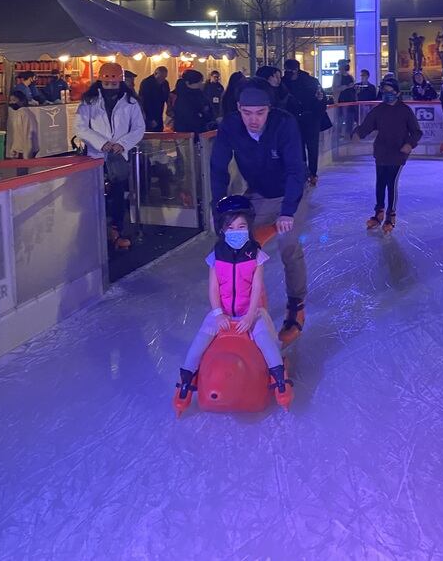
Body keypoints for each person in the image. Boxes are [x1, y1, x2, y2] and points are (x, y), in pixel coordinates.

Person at [172, 195, 293, 413]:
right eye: (231, 227)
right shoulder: (216, 256)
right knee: (199, 342)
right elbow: (213, 288)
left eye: (242, 226)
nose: (236, 231)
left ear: (249, 227)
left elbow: (257, 288)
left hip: (251, 313)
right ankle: (185, 382)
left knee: (266, 342)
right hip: (223, 313)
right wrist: (218, 314)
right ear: (222, 229)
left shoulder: (256, 255)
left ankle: (279, 379)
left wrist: (249, 317)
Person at [210, 82, 308, 346]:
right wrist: (218, 209)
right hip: (257, 193)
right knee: (236, 243)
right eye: (247, 113)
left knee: (288, 245)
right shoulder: (230, 126)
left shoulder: (284, 124)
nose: (254, 119)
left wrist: (287, 211)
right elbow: (218, 167)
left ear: (269, 110)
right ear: (239, 109)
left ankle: (296, 303)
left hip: (289, 193)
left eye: (260, 113)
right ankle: (240, 304)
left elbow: (295, 171)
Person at [74, 62, 145, 251]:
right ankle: (95, 232)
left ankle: (116, 231)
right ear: (100, 81)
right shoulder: (89, 101)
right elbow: (80, 127)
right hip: (96, 156)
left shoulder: (131, 102)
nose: (110, 87)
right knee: (95, 195)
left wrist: (121, 145)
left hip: (119, 157)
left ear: (120, 82)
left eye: (114, 84)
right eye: (107, 84)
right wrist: (101, 143)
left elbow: (139, 128)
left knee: (118, 195)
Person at [353, 77, 423, 234]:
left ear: (397, 93)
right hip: (382, 151)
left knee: (391, 183)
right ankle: (379, 211)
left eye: (390, 92)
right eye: (384, 92)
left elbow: (417, 132)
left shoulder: (404, 110)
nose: (386, 95)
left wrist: (409, 144)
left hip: (398, 153)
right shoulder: (379, 110)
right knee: (380, 182)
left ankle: (391, 215)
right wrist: (358, 133)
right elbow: (367, 126)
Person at [283, 58, 324, 186]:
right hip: (299, 121)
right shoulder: (285, 83)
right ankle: (308, 173)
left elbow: (321, 100)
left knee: (310, 148)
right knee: (301, 148)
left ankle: (310, 173)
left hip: (307, 120)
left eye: (289, 71)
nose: (288, 73)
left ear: (296, 70)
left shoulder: (309, 82)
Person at [173, 69, 215, 134]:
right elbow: (188, 116)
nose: (201, 84)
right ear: (188, 83)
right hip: (188, 131)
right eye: (198, 82)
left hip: (201, 129)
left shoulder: (199, 93)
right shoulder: (184, 97)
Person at [139, 66, 170, 132]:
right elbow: (145, 102)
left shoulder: (165, 83)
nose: (162, 79)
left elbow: (167, 97)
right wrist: (150, 118)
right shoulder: (147, 83)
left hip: (159, 111)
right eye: (161, 77)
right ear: (155, 73)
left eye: (164, 77)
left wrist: (169, 108)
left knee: (159, 130)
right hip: (149, 113)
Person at [7, 91, 37, 158]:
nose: (11, 103)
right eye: (10, 100)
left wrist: (26, 154)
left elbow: (29, 134)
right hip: (20, 151)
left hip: (24, 151)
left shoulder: (24, 114)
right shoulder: (17, 113)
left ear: (22, 101)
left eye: (14, 100)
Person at [337, 72, 358, 137]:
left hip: (351, 103)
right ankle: (339, 136)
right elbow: (336, 88)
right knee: (341, 120)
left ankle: (348, 136)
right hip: (342, 103)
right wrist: (348, 86)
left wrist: (356, 90)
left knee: (349, 120)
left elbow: (353, 89)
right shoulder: (338, 77)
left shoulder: (350, 77)